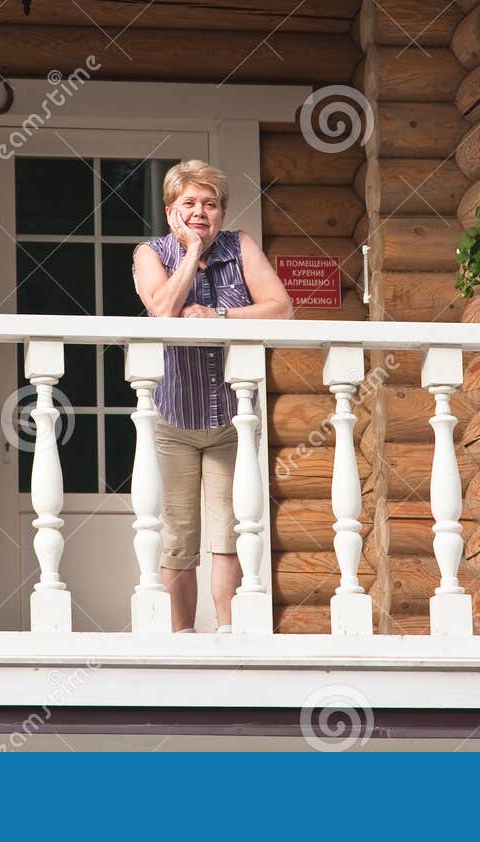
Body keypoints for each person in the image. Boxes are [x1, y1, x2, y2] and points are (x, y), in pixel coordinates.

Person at [132, 160, 294, 632]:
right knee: (179, 538)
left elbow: (281, 307)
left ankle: (227, 634)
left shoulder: (240, 246)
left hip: (229, 419)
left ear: (222, 210)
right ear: (171, 212)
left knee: (229, 534)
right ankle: (181, 636)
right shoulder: (151, 253)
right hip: (173, 418)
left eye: (210, 204)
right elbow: (162, 311)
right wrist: (192, 252)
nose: (201, 211)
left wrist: (221, 316)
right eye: (189, 204)